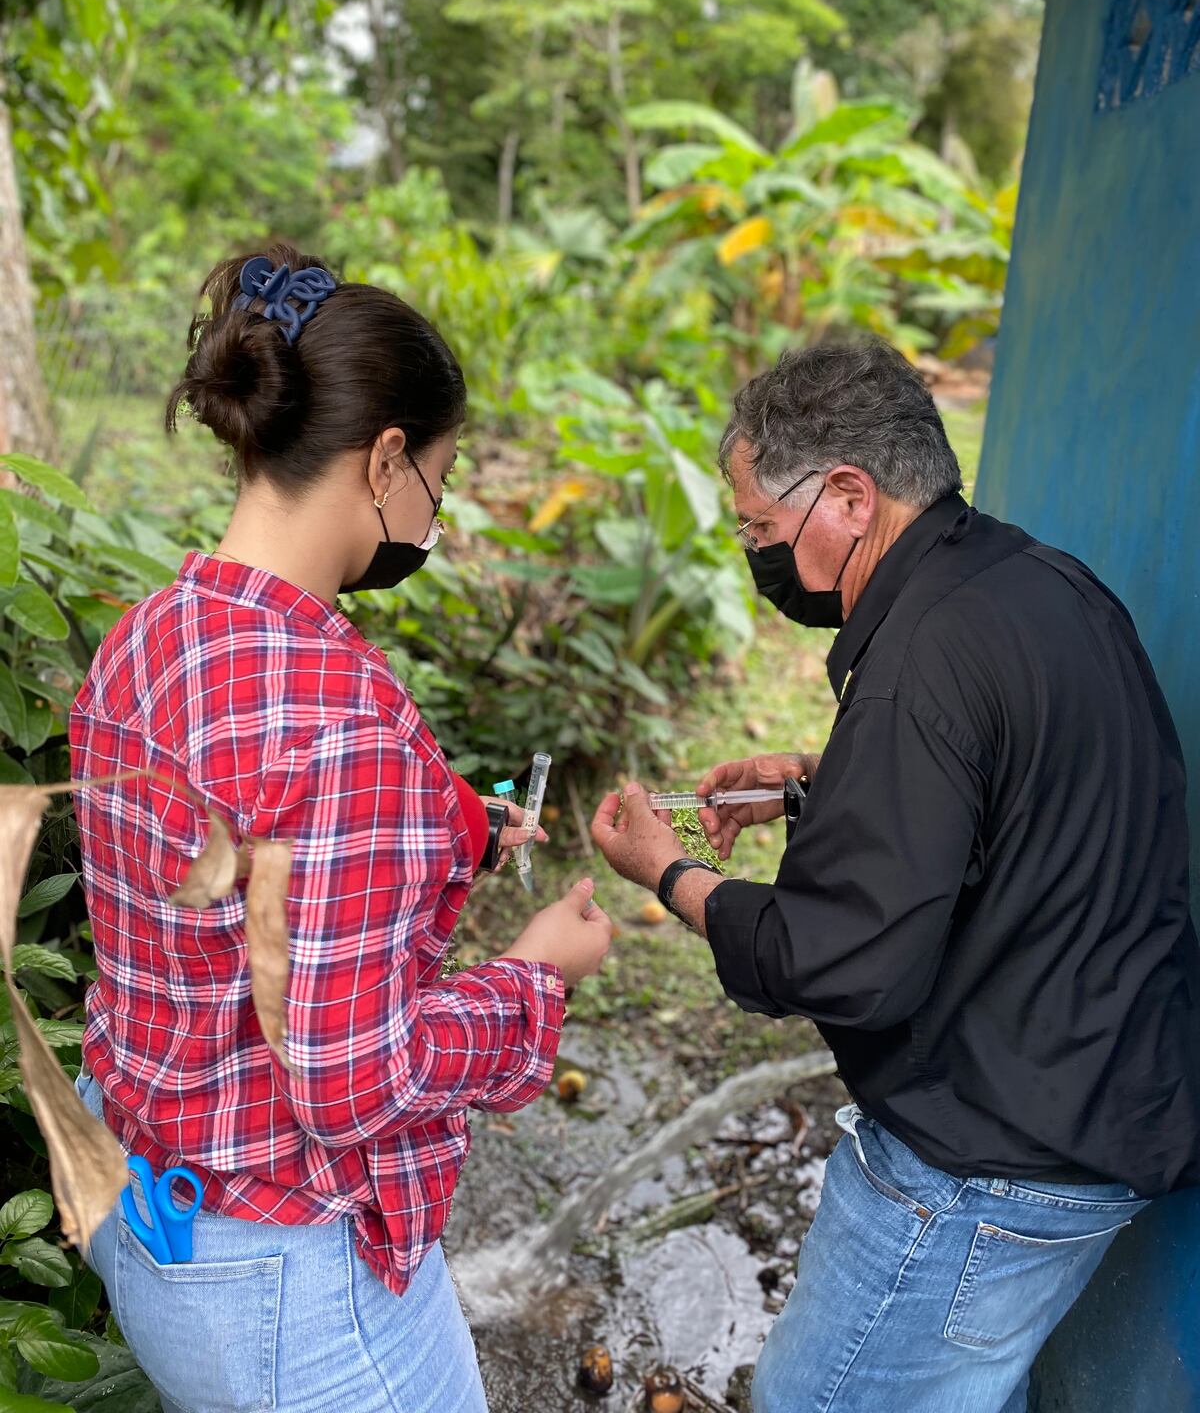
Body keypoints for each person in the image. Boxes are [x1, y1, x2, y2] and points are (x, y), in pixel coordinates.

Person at [591, 338, 1200, 1413]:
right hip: (1107, 1097)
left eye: (760, 529)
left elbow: (843, 959)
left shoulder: (918, 663)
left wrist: (666, 869)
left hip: (991, 1157)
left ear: (848, 498)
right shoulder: (1040, 584)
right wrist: (811, 786)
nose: (755, 552)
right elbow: (1016, 800)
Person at [69, 242, 612, 1413]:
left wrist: (441, 830)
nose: (436, 512)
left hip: (143, 1213)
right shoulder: (347, 721)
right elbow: (353, 1080)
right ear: (384, 459)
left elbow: (231, 866)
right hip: (287, 1285)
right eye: (439, 480)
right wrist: (534, 979)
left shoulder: (144, 638)